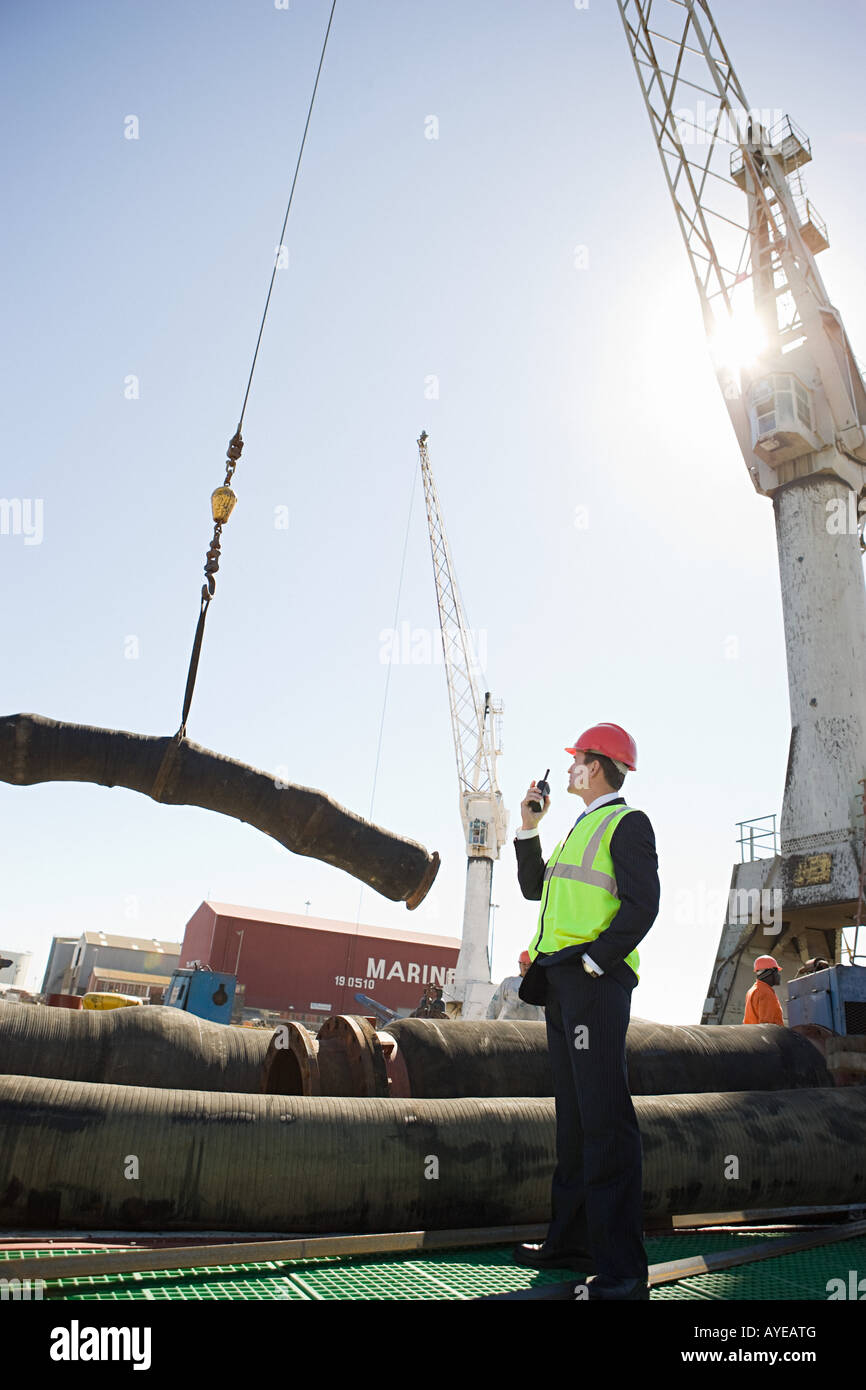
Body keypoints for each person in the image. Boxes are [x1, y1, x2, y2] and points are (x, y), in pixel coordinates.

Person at [511, 723, 660, 1302]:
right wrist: (529, 827)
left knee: (604, 1119)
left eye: (575, 760)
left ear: (596, 766)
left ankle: (623, 1272)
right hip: (561, 983)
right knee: (573, 1119)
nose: (568, 768)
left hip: (593, 983)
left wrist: (597, 964)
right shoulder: (579, 829)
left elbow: (643, 904)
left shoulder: (628, 823)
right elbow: (533, 890)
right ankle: (570, 1241)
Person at [486, 951, 545, 1022]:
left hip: (534, 1029)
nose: (527, 967)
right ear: (519, 964)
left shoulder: (541, 985)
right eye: (524, 964)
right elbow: (494, 1005)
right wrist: (489, 1024)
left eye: (530, 964)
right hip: (511, 1028)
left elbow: (548, 1009)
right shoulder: (508, 983)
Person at [743, 955, 784, 1025]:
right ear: (769, 973)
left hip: (751, 1033)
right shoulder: (765, 993)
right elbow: (767, 1026)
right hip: (763, 1035)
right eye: (777, 972)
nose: (778, 976)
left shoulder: (752, 990)